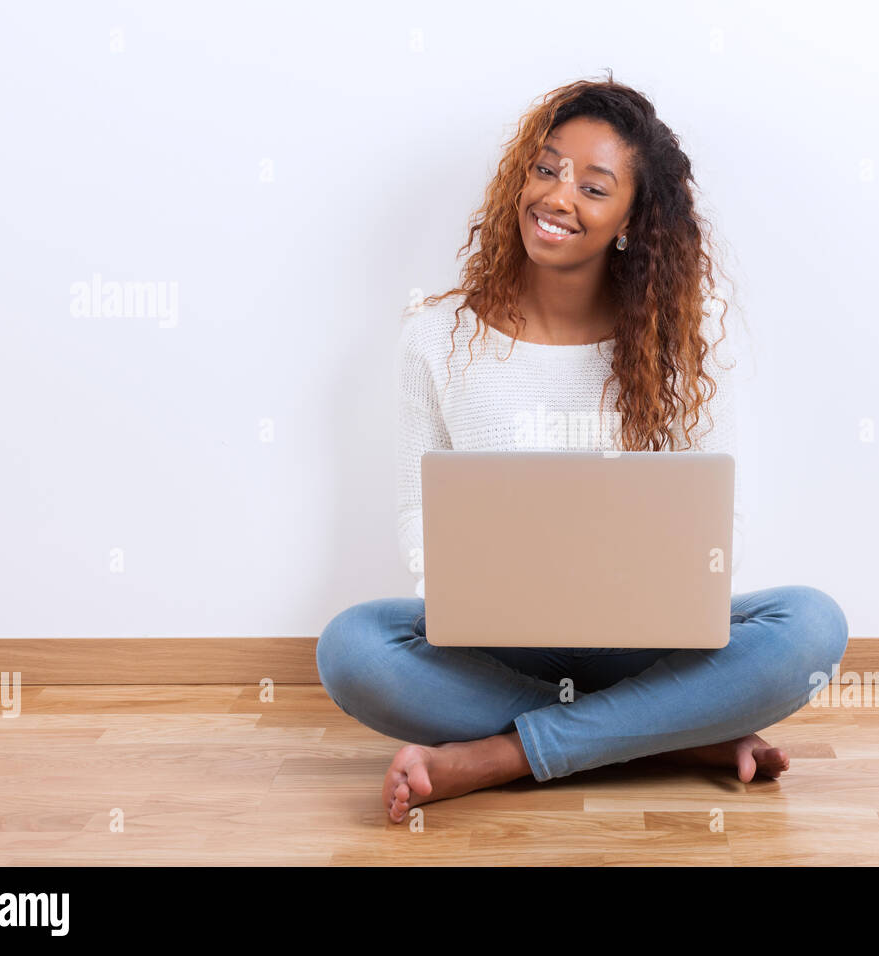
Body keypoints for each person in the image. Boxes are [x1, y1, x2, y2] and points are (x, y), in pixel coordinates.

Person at [317, 74, 849, 824]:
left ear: (632, 218)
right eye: (546, 169)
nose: (558, 197)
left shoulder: (688, 345)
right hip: (498, 643)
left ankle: (500, 756)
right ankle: (666, 736)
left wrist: (644, 592)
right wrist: (475, 586)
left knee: (813, 628)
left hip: (644, 641)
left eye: (594, 188)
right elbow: (416, 515)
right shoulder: (436, 336)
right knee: (350, 650)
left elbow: (722, 524)